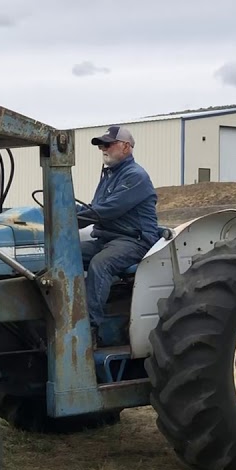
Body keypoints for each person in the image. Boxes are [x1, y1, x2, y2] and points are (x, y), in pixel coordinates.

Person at [77, 125, 160, 342]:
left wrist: (71, 220)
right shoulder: (109, 176)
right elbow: (94, 207)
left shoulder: (135, 176)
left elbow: (109, 210)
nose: (103, 149)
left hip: (134, 240)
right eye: (101, 145)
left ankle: (89, 331)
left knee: (101, 263)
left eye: (108, 144)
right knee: (65, 254)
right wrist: (58, 211)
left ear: (125, 147)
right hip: (107, 238)